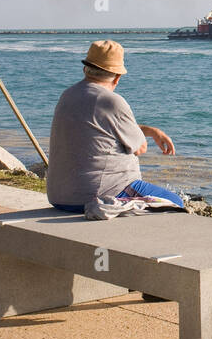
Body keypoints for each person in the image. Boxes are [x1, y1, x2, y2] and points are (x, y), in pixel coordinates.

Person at [46, 40, 184, 213]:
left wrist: (151, 131)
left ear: (85, 69)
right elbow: (140, 148)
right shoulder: (111, 101)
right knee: (175, 203)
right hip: (99, 194)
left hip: (59, 196)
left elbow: (101, 128)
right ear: (117, 77)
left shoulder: (68, 95)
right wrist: (144, 136)